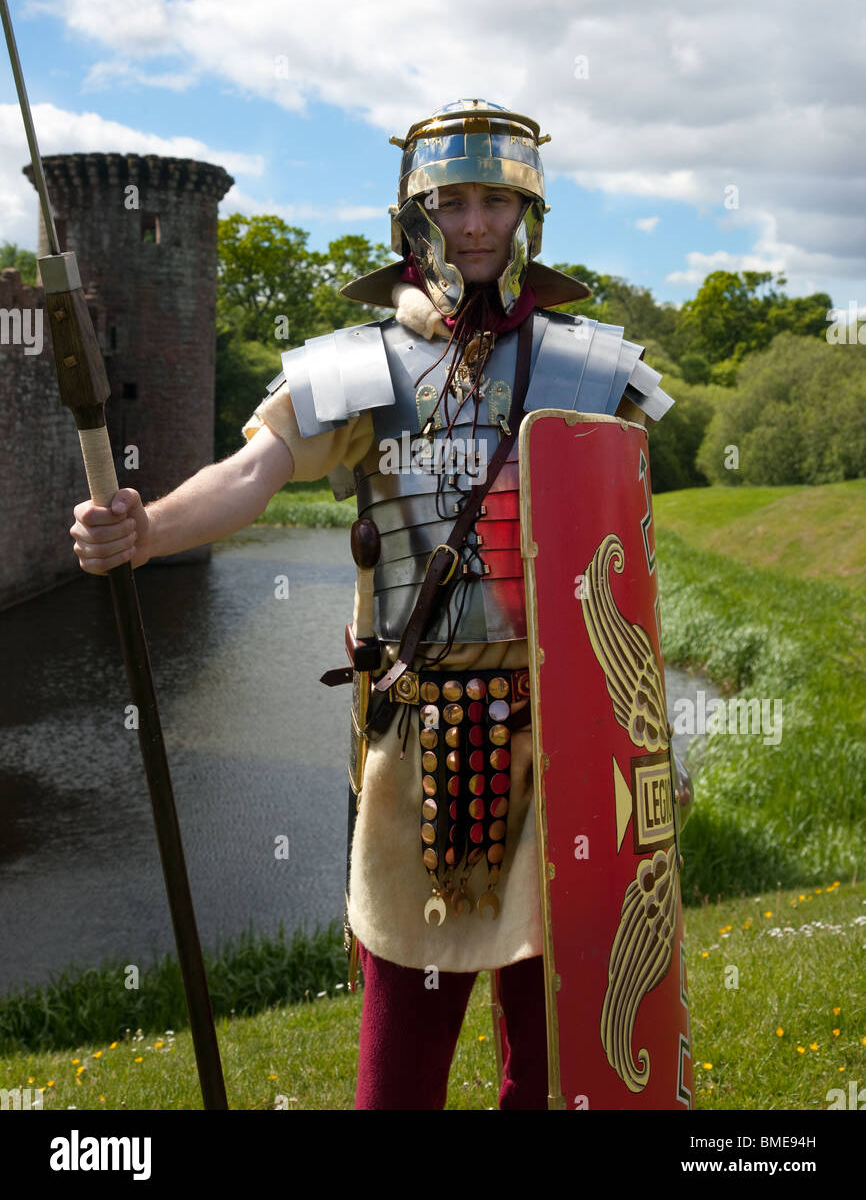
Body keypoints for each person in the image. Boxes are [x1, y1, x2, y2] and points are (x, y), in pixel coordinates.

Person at [70, 99, 674, 1111]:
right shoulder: (362, 365)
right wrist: (148, 529)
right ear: (414, 215)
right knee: (401, 1044)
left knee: (559, 1039)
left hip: (564, 747)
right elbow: (253, 471)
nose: (475, 225)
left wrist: (650, 746)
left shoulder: (586, 370)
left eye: (495, 201)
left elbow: (628, 562)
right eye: (453, 203)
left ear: (528, 213)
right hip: (421, 738)